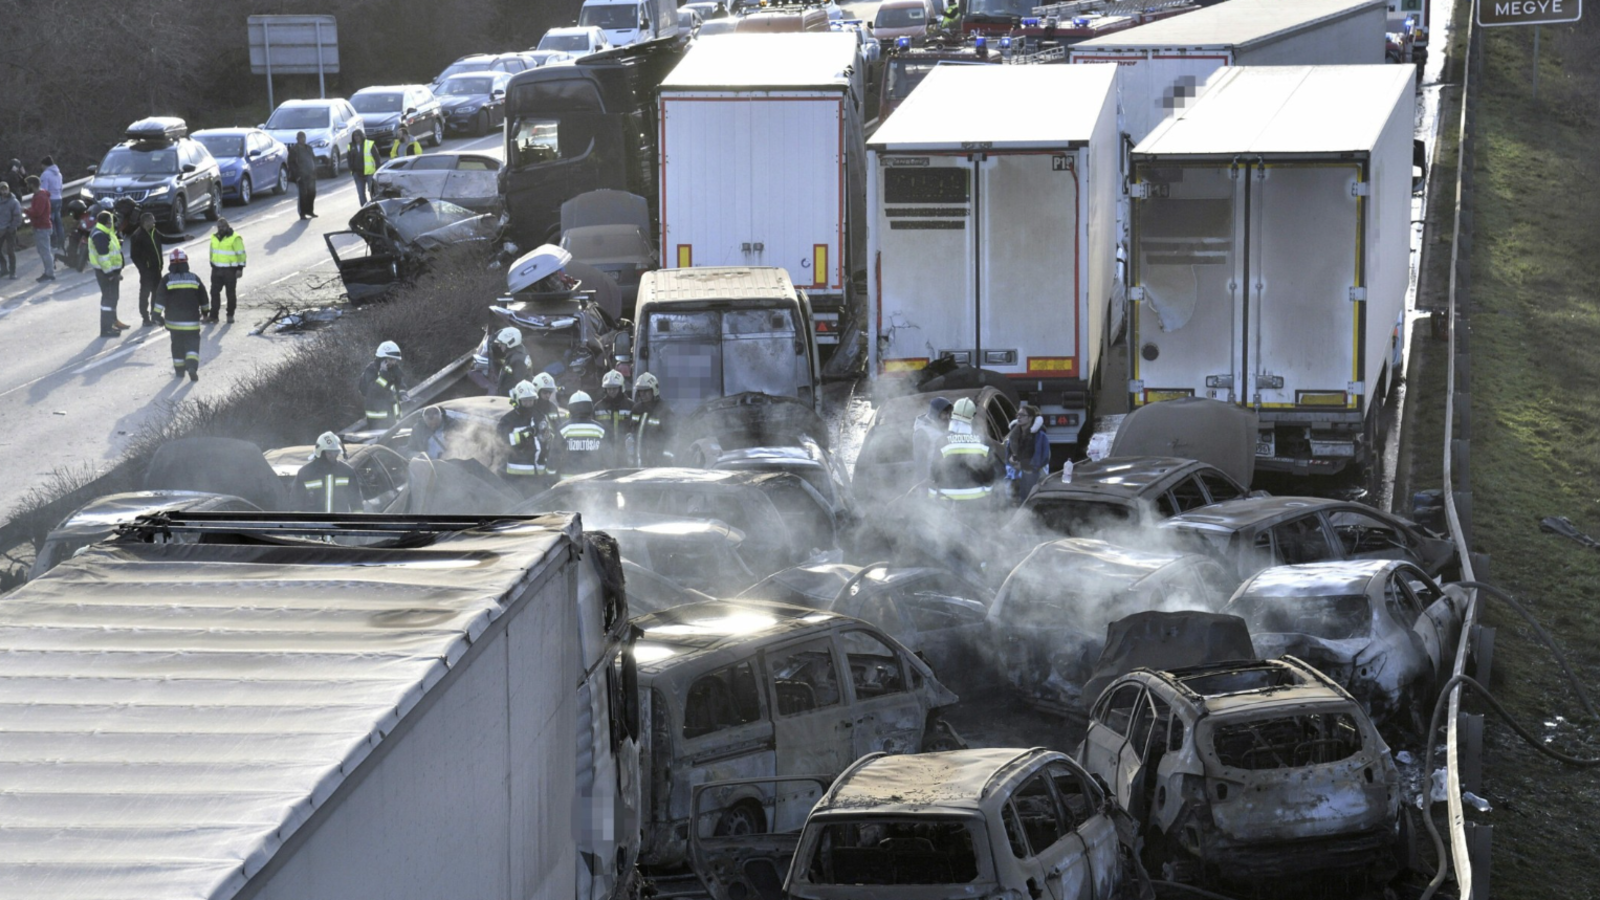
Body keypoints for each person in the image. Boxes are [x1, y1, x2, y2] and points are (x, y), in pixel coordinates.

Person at [929, 397, 1005, 505]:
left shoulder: (942, 441)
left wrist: (932, 498)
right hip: (976, 501)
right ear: (973, 417)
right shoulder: (983, 441)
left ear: (952, 415)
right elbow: (990, 473)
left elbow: (934, 471)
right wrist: (988, 496)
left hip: (948, 502)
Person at [152, 249, 207, 381]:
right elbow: (204, 297)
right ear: (186, 262)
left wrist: (157, 316)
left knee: (177, 345)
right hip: (192, 322)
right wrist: (206, 311)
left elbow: (159, 299)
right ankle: (192, 366)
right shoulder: (194, 278)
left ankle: (179, 371)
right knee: (192, 344)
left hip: (174, 323)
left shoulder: (166, 279)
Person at [499, 380, 553, 494]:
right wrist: (525, 434)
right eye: (525, 401)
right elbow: (502, 440)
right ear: (518, 401)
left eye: (531, 400)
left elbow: (548, 439)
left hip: (538, 474)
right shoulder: (508, 419)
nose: (529, 404)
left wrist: (547, 436)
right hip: (516, 476)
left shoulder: (540, 416)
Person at [295, 432, 364, 513]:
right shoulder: (305, 473)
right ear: (321, 453)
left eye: (336, 452)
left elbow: (356, 503)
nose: (334, 455)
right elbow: (296, 505)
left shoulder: (347, 472)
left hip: (339, 524)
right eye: (329, 453)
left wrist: (355, 523)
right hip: (314, 524)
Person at [88, 210, 128, 336]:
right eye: (112, 221)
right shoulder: (100, 235)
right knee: (108, 300)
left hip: (110, 272)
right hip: (106, 274)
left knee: (112, 298)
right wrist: (111, 274)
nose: (113, 224)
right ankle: (106, 329)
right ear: (108, 222)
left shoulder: (105, 232)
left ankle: (113, 322)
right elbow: (103, 258)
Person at [1005, 403, 1051, 504]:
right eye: (1018, 415)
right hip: (1015, 475)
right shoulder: (1013, 435)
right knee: (1014, 502)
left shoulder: (1040, 436)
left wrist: (1022, 465)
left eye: (1022, 415)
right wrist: (1011, 460)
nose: (1019, 417)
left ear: (1030, 418)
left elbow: (1044, 458)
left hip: (1032, 476)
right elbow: (1008, 453)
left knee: (1029, 502)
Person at [627, 372, 676, 467]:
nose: (643, 395)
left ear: (654, 390)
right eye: (640, 392)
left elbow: (672, 435)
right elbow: (630, 430)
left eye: (646, 391)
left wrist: (666, 457)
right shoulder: (636, 409)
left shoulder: (664, 409)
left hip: (659, 459)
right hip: (638, 458)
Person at [127, 213, 166, 326]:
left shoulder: (154, 231)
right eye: (152, 220)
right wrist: (143, 269)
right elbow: (134, 256)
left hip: (157, 270)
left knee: (157, 293)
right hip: (147, 272)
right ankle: (145, 317)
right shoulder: (137, 236)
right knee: (145, 294)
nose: (154, 222)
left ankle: (155, 315)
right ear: (145, 222)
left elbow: (165, 239)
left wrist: (183, 238)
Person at [557, 391, 608, 476]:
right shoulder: (600, 429)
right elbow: (608, 455)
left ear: (571, 408)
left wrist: (550, 475)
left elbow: (555, 454)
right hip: (594, 480)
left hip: (567, 481)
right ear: (590, 407)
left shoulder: (563, 430)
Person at [360, 341, 408, 428]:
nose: (393, 362)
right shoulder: (371, 371)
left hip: (394, 418)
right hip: (378, 421)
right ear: (382, 359)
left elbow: (400, 385)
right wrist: (383, 374)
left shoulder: (394, 369)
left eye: (395, 360)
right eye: (391, 359)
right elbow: (374, 391)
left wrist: (403, 394)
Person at [207, 218, 246, 323]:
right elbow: (212, 252)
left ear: (227, 226)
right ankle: (214, 315)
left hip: (230, 270)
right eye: (219, 227)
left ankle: (230, 314)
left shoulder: (235, 238)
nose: (220, 229)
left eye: (223, 226)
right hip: (217, 270)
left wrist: (240, 269)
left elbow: (241, 254)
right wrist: (212, 263)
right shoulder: (214, 237)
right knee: (214, 292)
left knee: (230, 293)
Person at [593, 369, 632, 467]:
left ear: (621, 388)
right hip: (604, 452)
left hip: (625, 452)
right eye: (608, 388)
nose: (611, 391)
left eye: (614, 388)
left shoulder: (630, 406)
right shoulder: (598, 407)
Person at [912, 396, 953, 485]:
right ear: (936, 413)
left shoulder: (940, 428)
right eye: (944, 414)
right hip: (931, 481)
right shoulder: (923, 432)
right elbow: (920, 463)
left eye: (948, 414)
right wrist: (924, 485)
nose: (947, 417)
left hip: (942, 478)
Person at [488, 326, 533, 396]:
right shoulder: (515, 356)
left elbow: (519, 385)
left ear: (511, 342)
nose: (499, 346)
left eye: (502, 343)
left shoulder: (518, 360)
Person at [24, 176, 53, 282]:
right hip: (40, 227)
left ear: (32, 184)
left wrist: (26, 211)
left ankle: (49, 273)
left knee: (45, 252)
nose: (27, 186)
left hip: (42, 227)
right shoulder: (39, 195)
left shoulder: (40, 197)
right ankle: (48, 270)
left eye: (28, 184)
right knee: (43, 251)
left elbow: (37, 212)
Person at [287, 132, 319, 219]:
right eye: (301, 138)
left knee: (312, 193)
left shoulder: (308, 148)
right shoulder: (294, 150)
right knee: (303, 194)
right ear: (297, 139)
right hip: (301, 175)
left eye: (303, 137)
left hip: (310, 174)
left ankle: (310, 210)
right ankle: (302, 213)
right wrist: (296, 175)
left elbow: (313, 159)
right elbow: (291, 163)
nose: (303, 139)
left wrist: (315, 169)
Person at [38, 156, 63, 250]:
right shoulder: (59, 173)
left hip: (50, 200)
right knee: (58, 221)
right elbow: (61, 187)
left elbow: (44, 190)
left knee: (51, 222)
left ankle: (54, 243)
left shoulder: (45, 175)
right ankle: (62, 242)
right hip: (59, 198)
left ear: (44, 165)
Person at [349, 129, 379, 206]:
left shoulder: (369, 144)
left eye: (358, 135)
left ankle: (376, 206)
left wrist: (378, 170)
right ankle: (365, 209)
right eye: (354, 136)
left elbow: (377, 158)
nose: (356, 137)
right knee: (361, 194)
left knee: (372, 192)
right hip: (357, 174)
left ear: (361, 136)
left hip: (370, 173)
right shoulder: (350, 146)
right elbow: (349, 159)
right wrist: (353, 171)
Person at [0, 183, 19, 280]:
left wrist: (12, 228)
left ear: (8, 189)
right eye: (2, 189)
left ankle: (13, 271)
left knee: (10, 251)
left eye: (5, 189)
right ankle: (4, 269)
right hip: (1, 230)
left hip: (10, 230)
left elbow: (17, 216)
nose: (4, 191)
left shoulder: (14, 202)